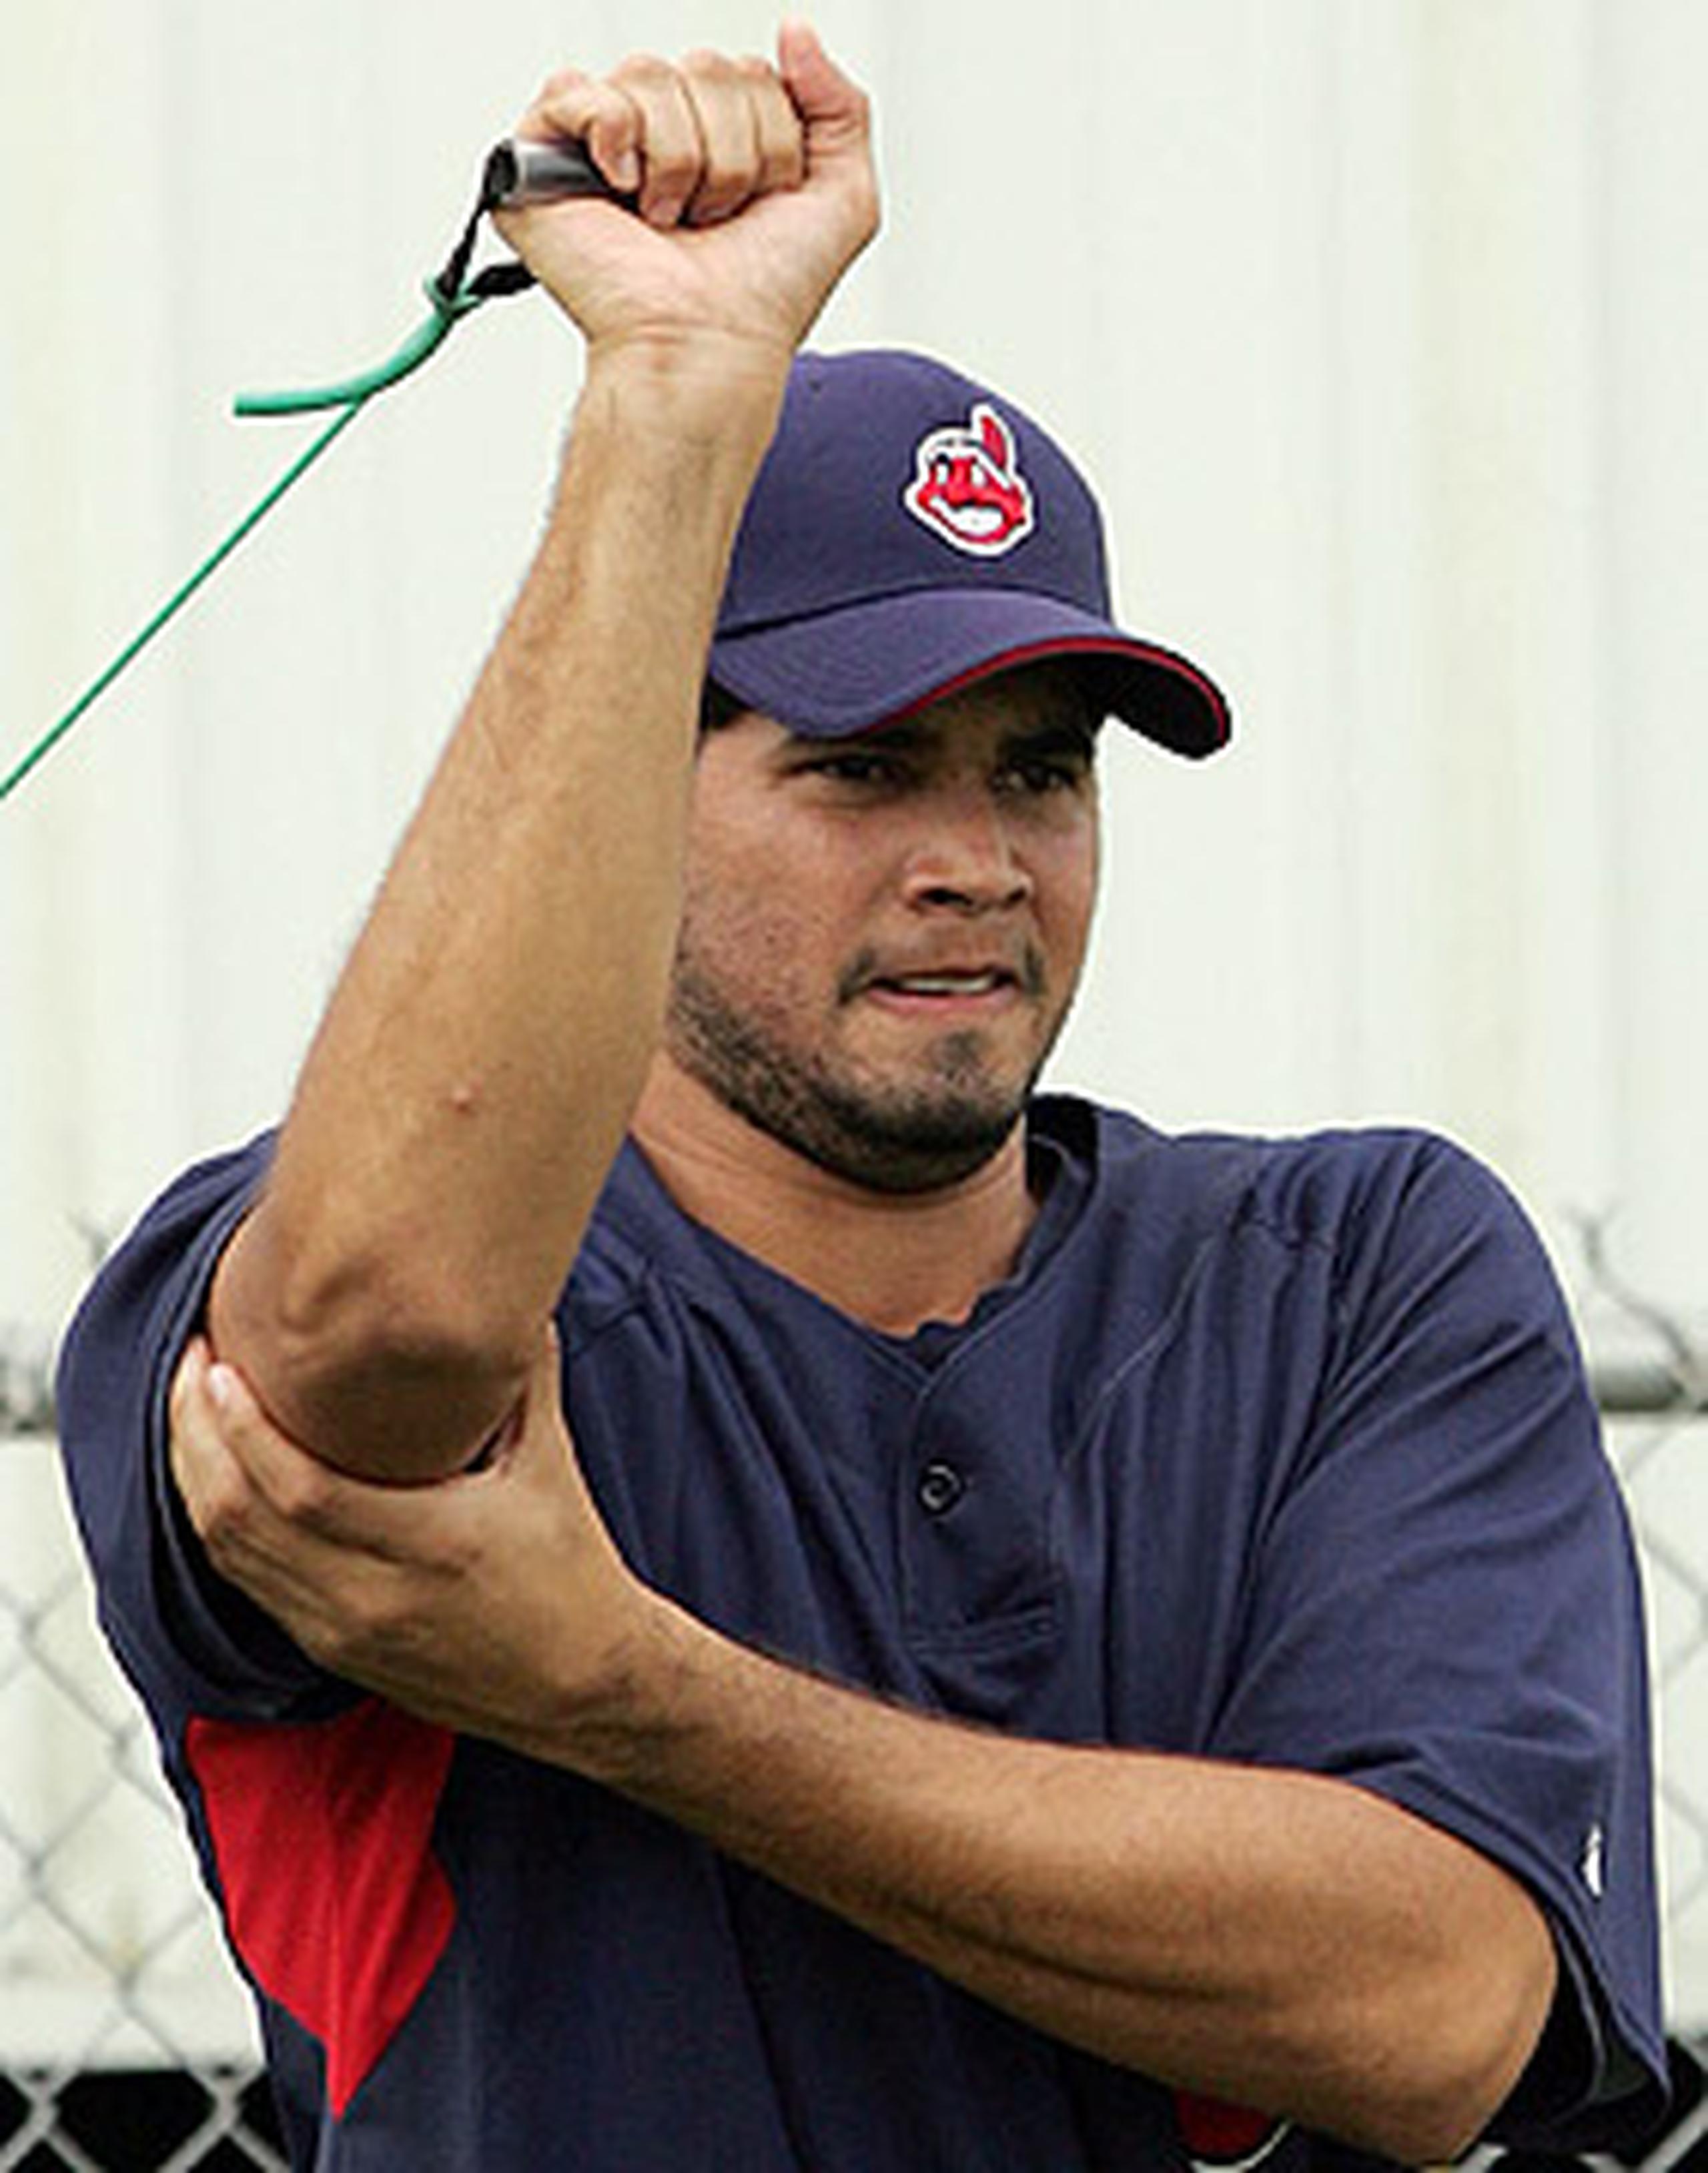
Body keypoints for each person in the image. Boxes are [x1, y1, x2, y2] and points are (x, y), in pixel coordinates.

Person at [57, 27, 1666, 2171]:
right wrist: (664, 412)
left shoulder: (1350, 1274)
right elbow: (384, 1331)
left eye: (1042, 768)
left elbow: (1441, 2001)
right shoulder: (355, 1246)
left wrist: (625, 1683)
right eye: (860, 762)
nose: (976, 857)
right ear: (637, 789)